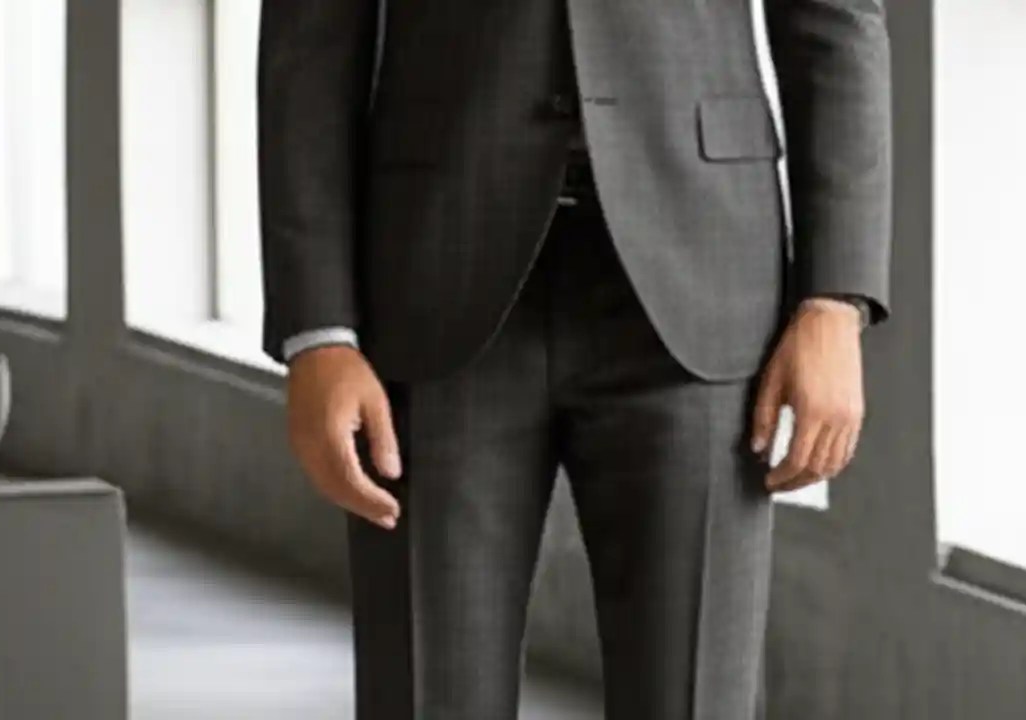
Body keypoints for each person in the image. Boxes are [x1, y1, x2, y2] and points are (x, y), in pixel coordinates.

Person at [256, 0, 891, 717]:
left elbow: (835, 22)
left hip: (699, 275)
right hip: (437, 270)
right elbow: (307, 39)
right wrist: (319, 331)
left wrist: (835, 300)